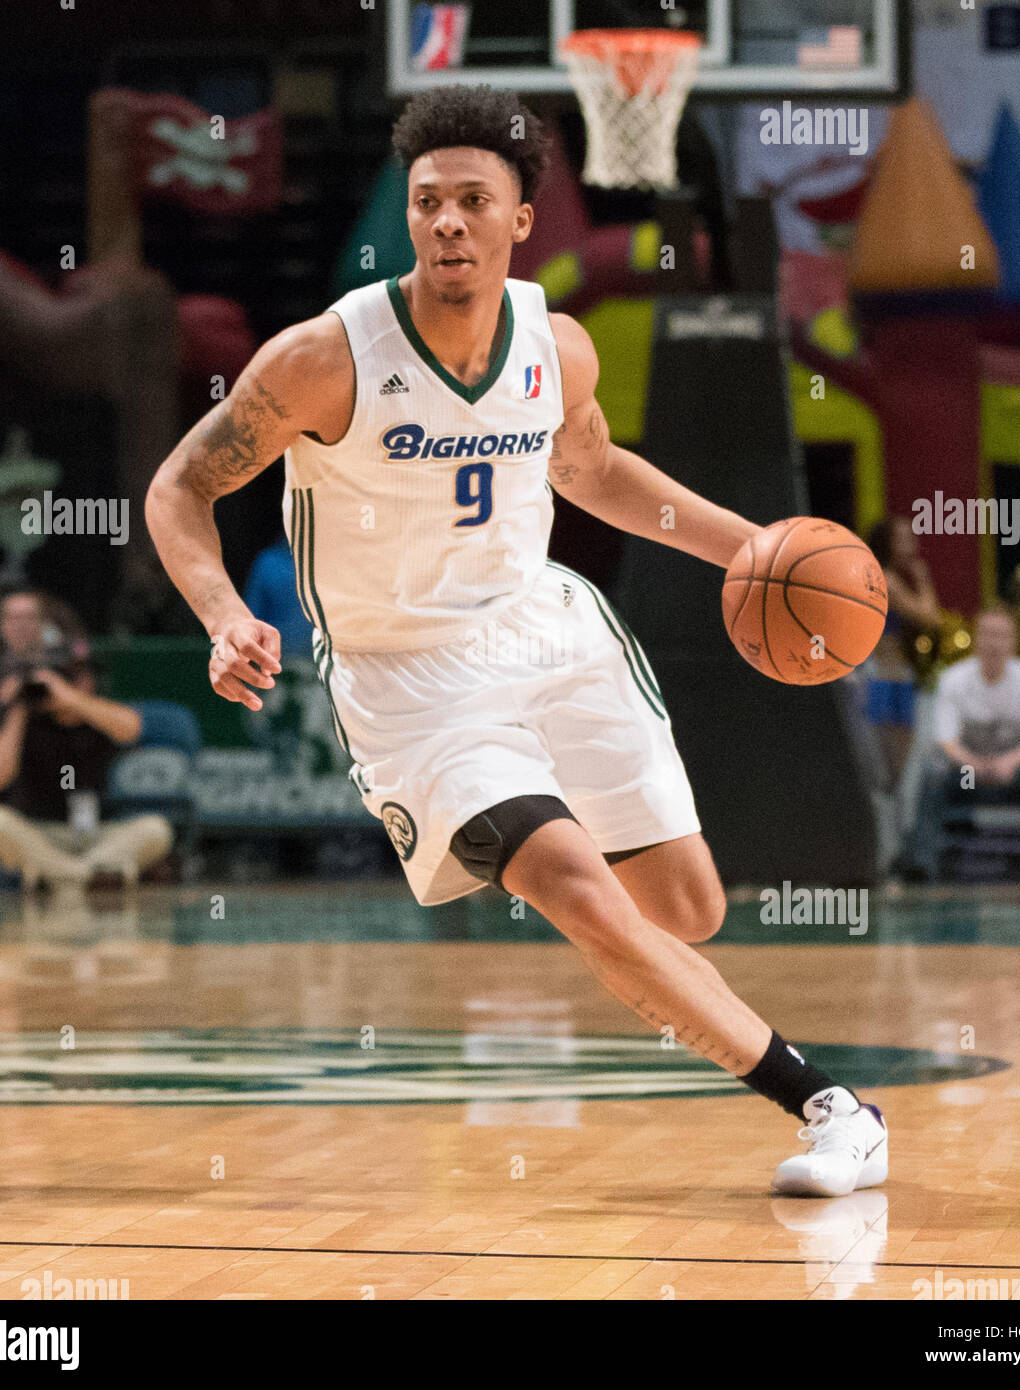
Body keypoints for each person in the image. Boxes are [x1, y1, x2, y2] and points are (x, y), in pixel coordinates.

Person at [145, 86, 888, 1197]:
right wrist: (220, 613)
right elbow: (178, 487)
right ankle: (832, 1105)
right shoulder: (323, 358)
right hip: (411, 684)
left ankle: (605, 917)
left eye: (471, 202)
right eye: (429, 201)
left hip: (550, 632)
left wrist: (754, 546)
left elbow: (593, 472)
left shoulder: (558, 347)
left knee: (689, 910)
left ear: (519, 220)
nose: (447, 221)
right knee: (579, 890)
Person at [0, 589, 172, 889]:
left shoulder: (96, 714)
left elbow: (133, 728)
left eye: (73, 677)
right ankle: (84, 876)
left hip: (95, 833)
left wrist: (71, 698)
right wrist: (20, 707)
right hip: (38, 832)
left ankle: (58, 875)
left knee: (156, 829)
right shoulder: (24, 717)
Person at [901, 606, 1020, 884]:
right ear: (976, 638)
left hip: (1015, 775)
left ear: (1013, 642)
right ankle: (919, 866)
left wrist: (1007, 763)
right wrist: (974, 764)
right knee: (934, 772)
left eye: (1001, 635)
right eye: (987, 634)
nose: (993, 643)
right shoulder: (954, 679)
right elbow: (946, 741)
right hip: (969, 777)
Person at [864, 516, 942, 790]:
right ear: (888, 544)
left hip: (899, 677)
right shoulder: (888, 579)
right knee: (895, 774)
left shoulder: (893, 578)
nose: (912, 544)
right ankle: (894, 831)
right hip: (885, 680)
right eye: (904, 539)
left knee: (901, 773)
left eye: (912, 537)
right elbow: (931, 618)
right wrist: (923, 579)